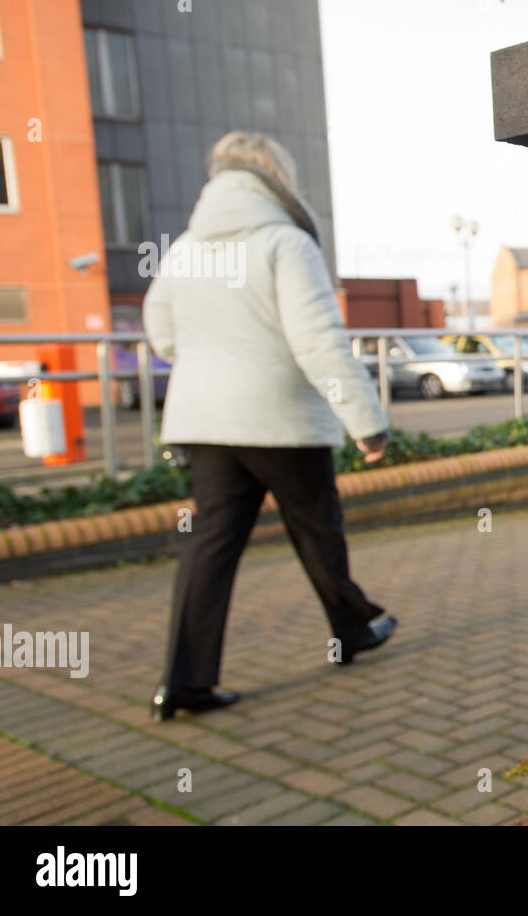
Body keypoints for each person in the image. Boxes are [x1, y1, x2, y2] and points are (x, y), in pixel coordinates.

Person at [143, 131, 396, 722]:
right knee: (316, 528)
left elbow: (161, 332)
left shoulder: (183, 249)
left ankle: (183, 684)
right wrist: (367, 420)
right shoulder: (285, 242)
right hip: (279, 418)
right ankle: (350, 628)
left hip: (203, 421)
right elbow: (317, 340)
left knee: (210, 545)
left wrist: (211, 363)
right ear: (276, 178)